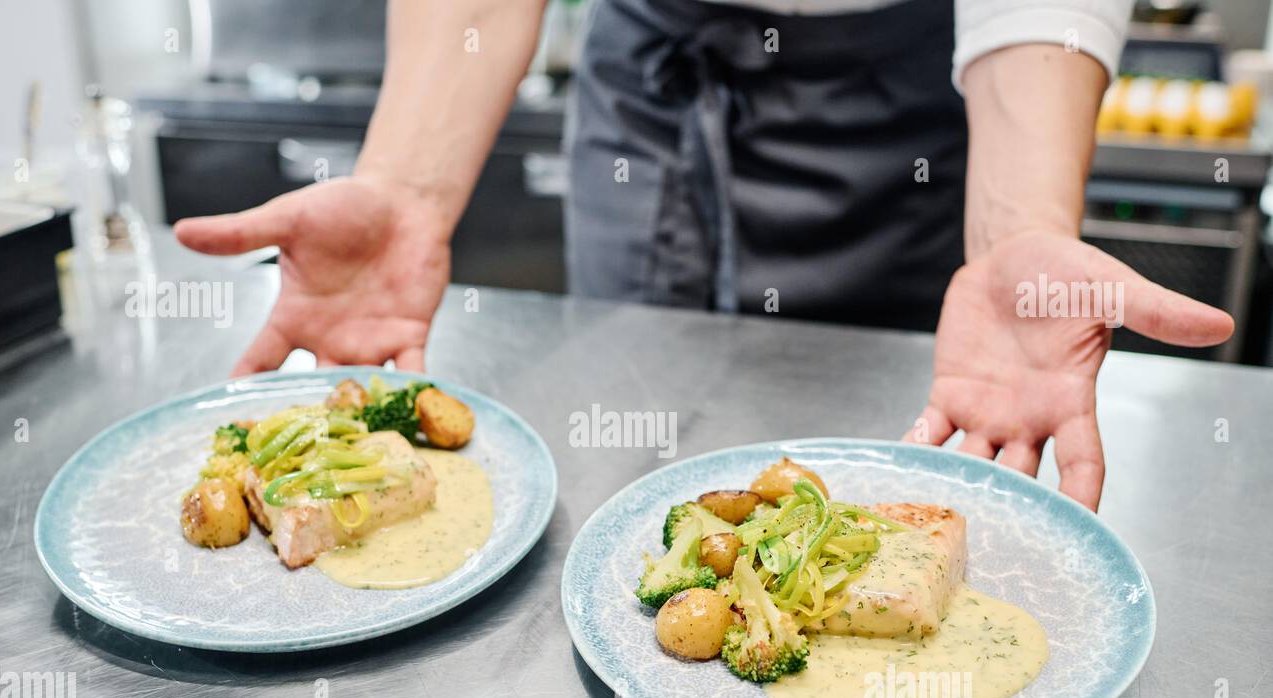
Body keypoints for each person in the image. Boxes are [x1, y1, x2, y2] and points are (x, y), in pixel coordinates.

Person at [174, 0, 1234, 512]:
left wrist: (1013, 237)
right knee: (623, 466)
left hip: (914, 97)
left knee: (914, 467)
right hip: (658, 82)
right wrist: (406, 187)